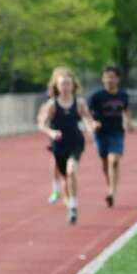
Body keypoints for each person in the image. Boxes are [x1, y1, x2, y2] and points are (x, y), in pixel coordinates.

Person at [37, 67, 96, 225]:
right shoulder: (52, 105)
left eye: (68, 83)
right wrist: (51, 132)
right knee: (65, 177)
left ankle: (73, 206)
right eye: (62, 84)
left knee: (71, 172)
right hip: (59, 144)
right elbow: (41, 124)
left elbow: (88, 119)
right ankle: (64, 195)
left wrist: (91, 127)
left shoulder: (79, 103)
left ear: (73, 85)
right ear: (56, 86)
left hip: (75, 142)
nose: (65, 87)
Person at [88, 64, 132, 208]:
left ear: (118, 79)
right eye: (107, 77)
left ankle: (111, 192)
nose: (109, 80)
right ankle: (110, 184)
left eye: (112, 77)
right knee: (105, 164)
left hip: (117, 132)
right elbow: (86, 113)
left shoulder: (123, 95)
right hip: (100, 133)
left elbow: (126, 110)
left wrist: (128, 122)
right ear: (102, 79)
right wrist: (93, 123)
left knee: (114, 161)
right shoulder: (96, 96)